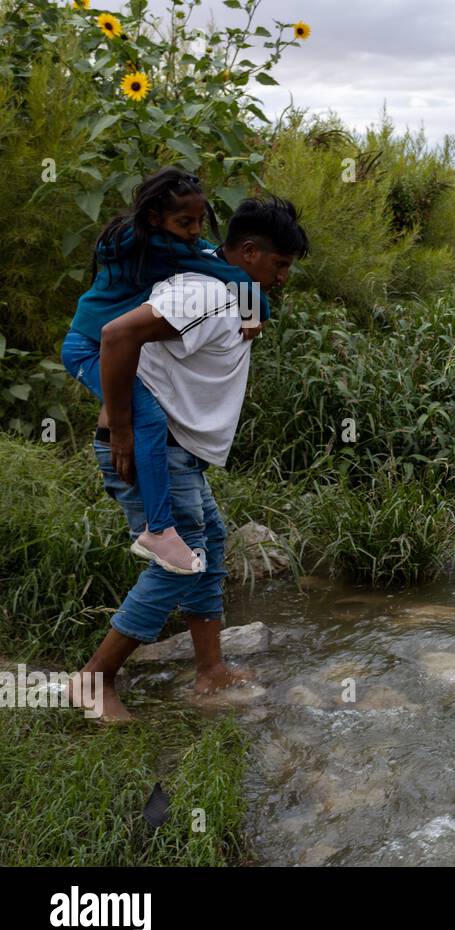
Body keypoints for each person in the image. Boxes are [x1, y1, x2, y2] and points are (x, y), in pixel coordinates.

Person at [73, 196, 308, 721]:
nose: (283, 278)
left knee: (212, 543)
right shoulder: (204, 293)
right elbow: (117, 335)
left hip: (179, 451)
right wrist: (125, 429)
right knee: (178, 564)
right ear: (248, 252)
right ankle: (93, 680)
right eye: (279, 266)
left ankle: (211, 668)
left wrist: (255, 307)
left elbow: (239, 301)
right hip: (150, 449)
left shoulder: (232, 290)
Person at [61, 167, 268, 575]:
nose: (194, 231)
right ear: (156, 218)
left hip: (101, 344)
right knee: (149, 418)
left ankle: (160, 529)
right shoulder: (159, 247)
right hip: (88, 349)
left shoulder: (158, 238)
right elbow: (227, 270)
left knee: (150, 416)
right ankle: (158, 530)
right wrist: (258, 306)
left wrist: (247, 299)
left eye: (197, 221)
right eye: (184, 222)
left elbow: (208, 255)